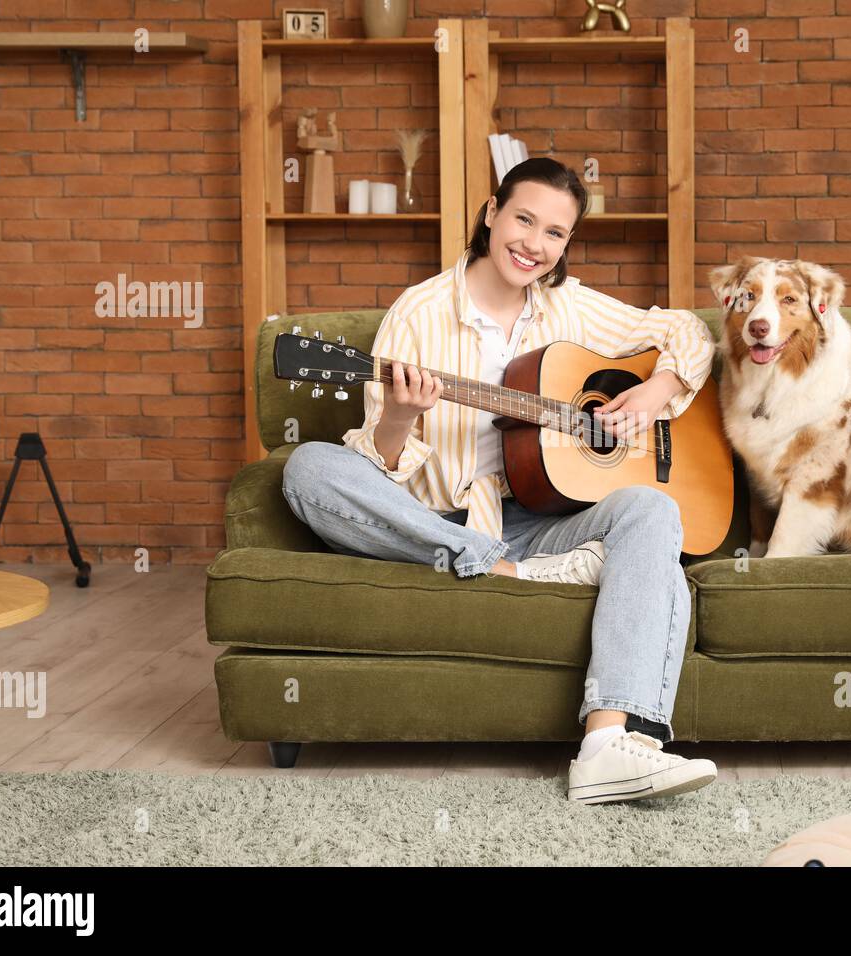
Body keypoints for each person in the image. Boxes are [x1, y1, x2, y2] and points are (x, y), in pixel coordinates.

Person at [281, 158, 719, 805]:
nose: (534, 244)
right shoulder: (419, 312)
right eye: (523, 219)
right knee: (307, 468)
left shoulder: (569, 308)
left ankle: (605, 746)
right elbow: (377, 465)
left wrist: (653, 393)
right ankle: (495, 566)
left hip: (544, 521)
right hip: (439, 524)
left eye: (555, 233)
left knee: (652, 511)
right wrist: (400, 414)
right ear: (490, 212)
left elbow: (690, 332)